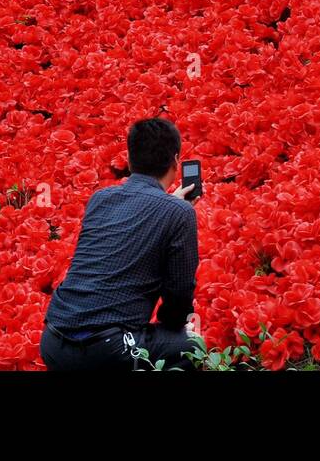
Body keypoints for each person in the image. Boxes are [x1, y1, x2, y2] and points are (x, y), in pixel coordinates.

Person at [41, 118, 203, 370]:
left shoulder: (100, 198)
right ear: (175, 162)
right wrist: (175, 329)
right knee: (191, 345)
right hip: (108, 348)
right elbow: (179, 296)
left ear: (128, 159)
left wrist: (171, 205)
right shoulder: (178, 213)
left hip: (53, 342)